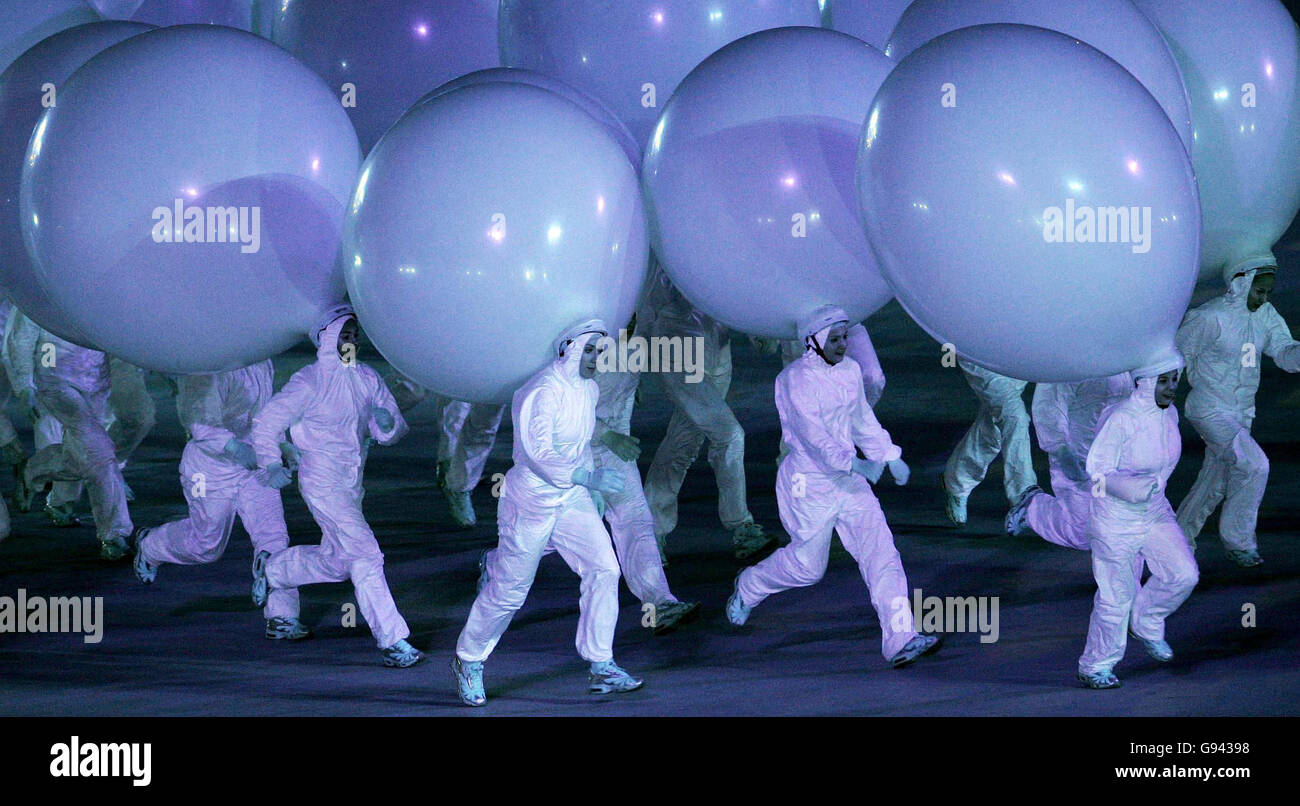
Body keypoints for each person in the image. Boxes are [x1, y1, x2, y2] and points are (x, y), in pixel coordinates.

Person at [726, 305, 940, 668]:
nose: (842, 345)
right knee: (809, 568)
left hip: (849, 481)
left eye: (844, 337)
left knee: (881, 552)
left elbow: (861, 419)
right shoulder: (795, 380)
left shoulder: (851, 371)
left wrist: (888, 455)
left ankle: (901, 637)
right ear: (813, 341)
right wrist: (854, 462)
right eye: (835, 338)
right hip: (807, 484)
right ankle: (749, 587)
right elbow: (812, 437)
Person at [452, 319, 643, 707]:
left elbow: (580, 439)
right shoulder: (540, 391)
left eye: (599, 351)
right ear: (569, 349)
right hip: (530, 501)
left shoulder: (587, 390)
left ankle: (600, 663)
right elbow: (538, 454)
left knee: (604, 568)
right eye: (588, 350)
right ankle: (469, 659)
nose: (595, 359)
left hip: (571, 498)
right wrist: (587, 478)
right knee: (510, 591)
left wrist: (592, 484)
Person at [248, 306, 421, 667]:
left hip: (352, 484)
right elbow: (266, 422)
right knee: (366, 554)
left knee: (338, 560)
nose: (351, 341)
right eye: (345, 335)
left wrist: (387, 424)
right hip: (321, 482)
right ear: (327, 339)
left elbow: (392, 430)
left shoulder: (368, 379)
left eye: (355, 335)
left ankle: (275, 570)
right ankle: (393, 639)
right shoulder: (309, 381)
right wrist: (270, 463)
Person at [132, 360, 309, 640]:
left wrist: (281, 443)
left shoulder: (261, 358)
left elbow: (267, 411)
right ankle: (150, 545)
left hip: (253, 465)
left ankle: (282, 616)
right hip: (209, 469)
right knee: (206, 545)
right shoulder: (209, 363)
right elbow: (199, 423)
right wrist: (237, 448)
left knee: (272, 535)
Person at [1077, 357, 1198, 689]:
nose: (1171, 387)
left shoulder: (1168, 415)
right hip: (1115, 522)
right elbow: (1096, 475)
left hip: (1155, 512)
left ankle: (1146, 620)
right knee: (1116, 595)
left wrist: (1147, 493)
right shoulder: (1120, 417)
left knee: (1184, 573)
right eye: (1163, 380)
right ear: (1144, 383)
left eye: (1174, 379)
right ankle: (1096, 665)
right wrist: (1128, 488)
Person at [1175, 254, 1300, 566]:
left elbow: (1284, 352)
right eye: (1259, 291)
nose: (1263, 299)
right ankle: (1239, 542)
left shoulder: (1265, 315)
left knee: (1214, 482)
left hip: (1242, 413)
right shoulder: (1209, 317)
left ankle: (1177, 539)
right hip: (1210, 409)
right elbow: (1177, 356)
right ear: (1241, 283)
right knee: (1254, 465)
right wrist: (1155, 404)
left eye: (1268, 293)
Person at [642, 268, 774, 560]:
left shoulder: (721, 244)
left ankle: (650, 531)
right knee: (729, 435)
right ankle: (741, 526)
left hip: (717, 352)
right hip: (678, 351)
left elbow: (737, 295)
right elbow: (648, 305)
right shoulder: (669, 247)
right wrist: (632, 368)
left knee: (683, 442)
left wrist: (759, 330)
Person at [17, 327, 133, 559]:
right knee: (99, 452)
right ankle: (114, 535)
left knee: (79, 456)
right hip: (56, 383)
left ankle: (32, 472)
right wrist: (24, 386)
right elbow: (20, 338)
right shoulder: (44, 293)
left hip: (96, 382)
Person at [1006, 372, 1132, 547]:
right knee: (1082, 531)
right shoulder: (1070, 360)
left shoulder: (1121, 355)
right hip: (1078, 457)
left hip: (1116, 456)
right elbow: (1048, 405)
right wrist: (1061, 451)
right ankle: (1033, 509)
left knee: (1122, 524)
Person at [942, 359, 1038, 526]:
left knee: (994, 425)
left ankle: (957, 480)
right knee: (1014, 417)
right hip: (978, 352)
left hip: (1018, 356)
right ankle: (1022, 497)